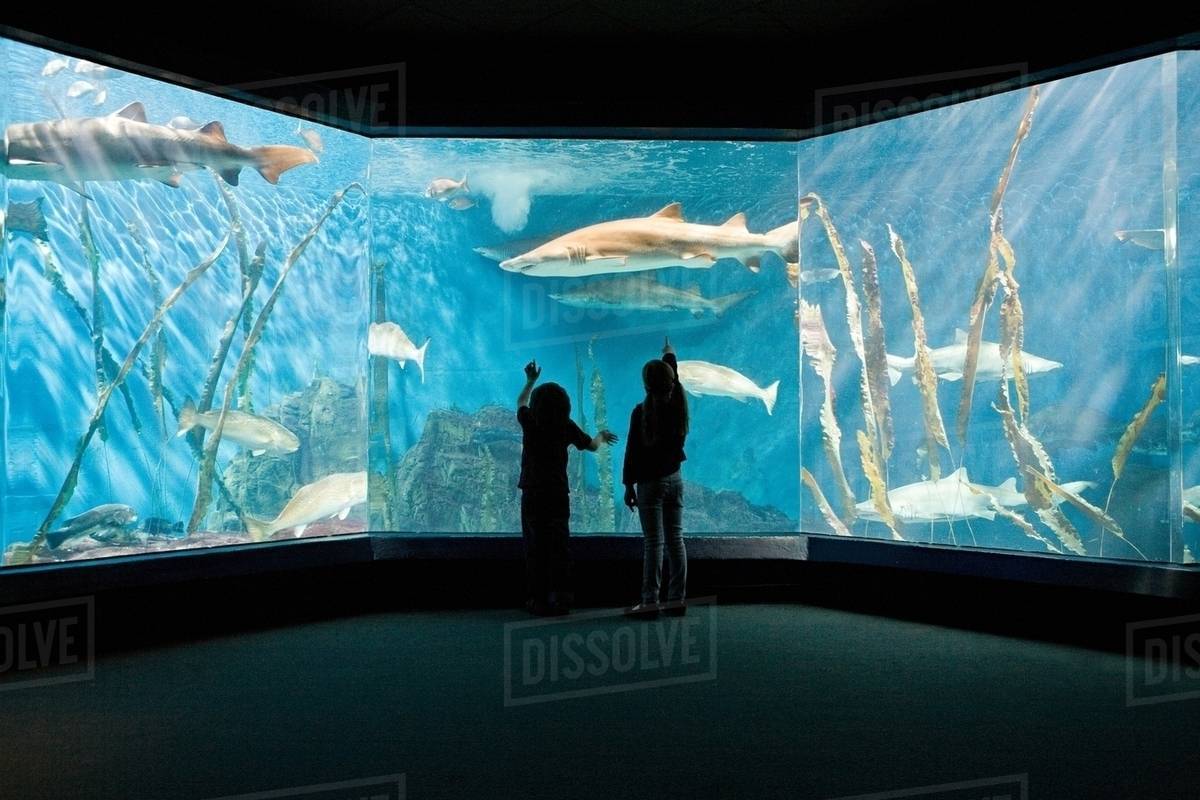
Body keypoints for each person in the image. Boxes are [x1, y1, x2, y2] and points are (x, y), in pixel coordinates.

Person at [518, 359, 617, 616]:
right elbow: (592, 447)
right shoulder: (566, 425)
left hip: (532, 492)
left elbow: (521, 403)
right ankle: (562, 598)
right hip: (557, 494)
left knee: (535, 547)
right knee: (560, 546)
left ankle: (538, 600)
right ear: (566, 407)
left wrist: (530, 382)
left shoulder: (530, 421)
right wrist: (602, 437)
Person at [623, 336, 689, 619]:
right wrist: (670, 353)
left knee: (654, 542)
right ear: (672, 382)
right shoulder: (678, 405)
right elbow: (673, 376)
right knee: (676, 539)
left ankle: (649, 602)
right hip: (675, 480)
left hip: (650, 484)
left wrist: (628, 485)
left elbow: (632, 452)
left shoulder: (641, 412)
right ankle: (677, 601)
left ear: (645, 385)